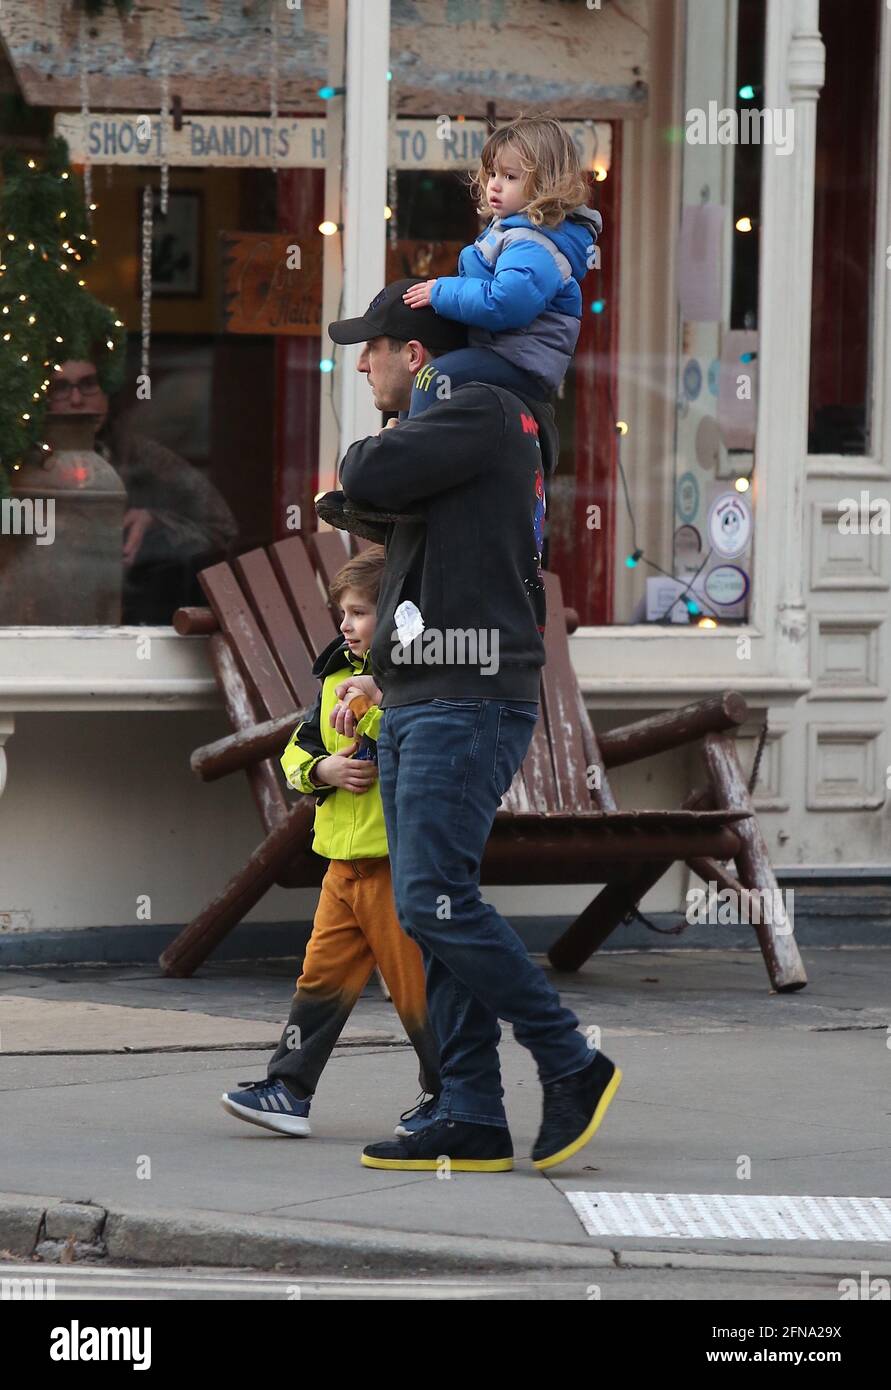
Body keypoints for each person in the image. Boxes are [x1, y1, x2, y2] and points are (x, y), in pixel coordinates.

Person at [320, 282, 622, 1174]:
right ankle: (471, 1110)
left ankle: (570, 1060)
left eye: (371, 346)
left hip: (467, 692)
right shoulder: (472, 421)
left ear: (413, 354)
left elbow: (363, 476)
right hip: (428, 690)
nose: (360, 361)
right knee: (436, 906)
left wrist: (371, 468)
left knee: (430, 899)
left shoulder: (477, 409)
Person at [220, 546, 441, 1139]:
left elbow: (417, 742)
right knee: (319, 978)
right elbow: (299, 749)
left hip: (395, 865)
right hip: (342, 866)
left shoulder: (416, 682)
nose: (346, 624)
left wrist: (369, 712)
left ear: (395, 616)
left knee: (415, 989)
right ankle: (288, 1090)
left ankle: (450, 1096)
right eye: (342, 612)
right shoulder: (335, 676)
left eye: (361, 612)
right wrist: (324, 772)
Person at [402, 115, 601, 417]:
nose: (494, 185)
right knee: (423, 373)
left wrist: (441, 291)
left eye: (510, 177)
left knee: (431, 379)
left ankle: (413, 456)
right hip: (501, 352)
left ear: (546, 184)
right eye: (493, 173)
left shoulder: (533, 245)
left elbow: (504, 303)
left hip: (521, 363)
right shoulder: (511, 231)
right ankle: (404, 442)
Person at [47, 359, 238, 624]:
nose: (76, 400)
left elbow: (222, 528)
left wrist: (156, 522)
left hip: (129, 628)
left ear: (108, 394)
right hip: (35, 625)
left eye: (89, 385)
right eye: (61, 388)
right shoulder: (21, 460)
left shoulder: (140, 456)